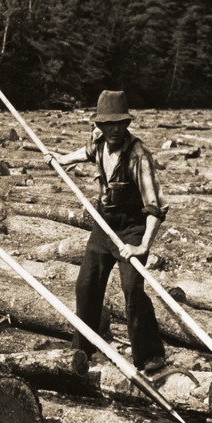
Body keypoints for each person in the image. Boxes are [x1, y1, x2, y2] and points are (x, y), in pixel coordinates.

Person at [45, 90, 168, 374]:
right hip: (104, 224)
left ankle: (150, 356)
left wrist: (142, 246)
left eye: (119, 123)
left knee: (132, 290)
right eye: (107, 124)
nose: (113, 130)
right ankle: (83, 350)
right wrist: (61, 160)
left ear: (126, 123)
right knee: (87, 285)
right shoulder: (99, 140)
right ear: (99, 125)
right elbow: (85, 153)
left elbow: (155, 207)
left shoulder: (138, 156)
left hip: (133, 226)